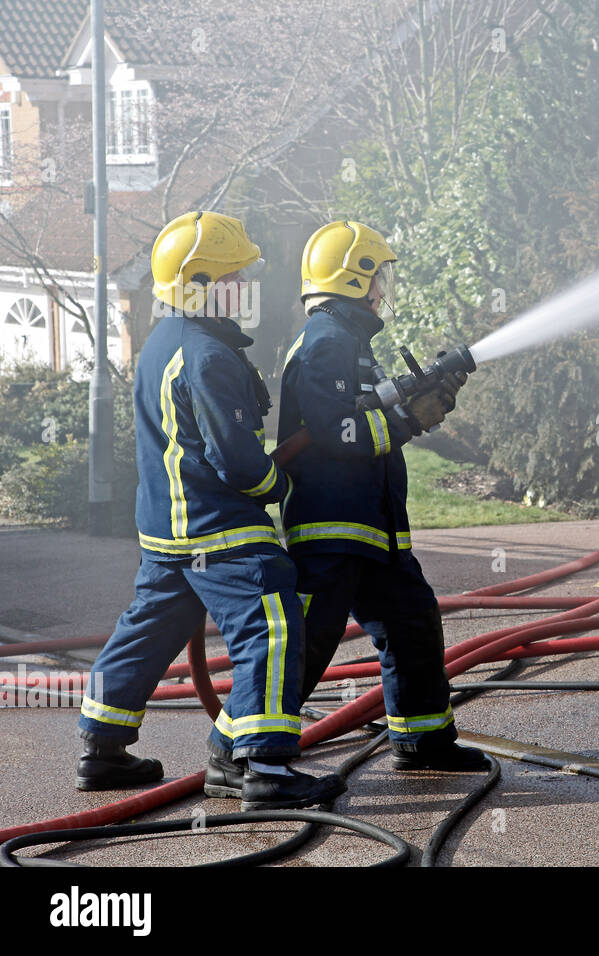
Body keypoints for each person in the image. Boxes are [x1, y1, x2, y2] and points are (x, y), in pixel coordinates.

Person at [76, 210, 344, 812]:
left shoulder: (160, 345)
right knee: (272, 624)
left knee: (147, 631)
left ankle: (102, 746)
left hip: (168, 531)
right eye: (234, 276)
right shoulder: (207, 355)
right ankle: (265, 767)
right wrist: (276, 482)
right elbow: (238, 462)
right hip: (219, 529)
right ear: (200, 283)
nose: (245, 287)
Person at [275, 219, 489, 773]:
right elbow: (333, 431)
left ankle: (424, 741)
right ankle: (245, 750)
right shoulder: (325, 343)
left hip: (370, 526)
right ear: (351, 281)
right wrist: (406, 422)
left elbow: (363, 413)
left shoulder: (347, 343)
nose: (382, 292)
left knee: (412, 621)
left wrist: (416, 403)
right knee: (310, 642)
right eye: (376, 279)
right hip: (332, 527)